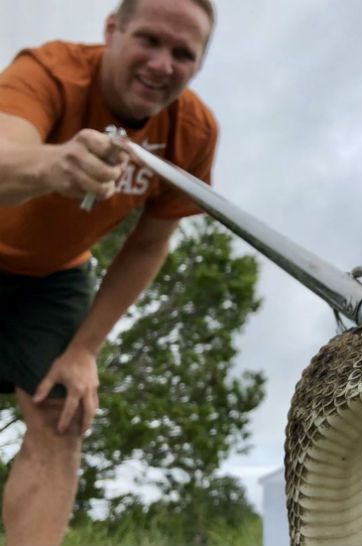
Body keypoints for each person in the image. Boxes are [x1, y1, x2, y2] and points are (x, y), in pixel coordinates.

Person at [0, 0, 217, 543]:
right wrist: (51, 165)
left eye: (183, 53)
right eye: (149, 40)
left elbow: (149, 244)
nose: (162, 64)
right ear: (112, 30)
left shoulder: (193, 133)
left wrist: (84, 351)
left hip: (54, 276)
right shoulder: (49, 71)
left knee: (63, 411)